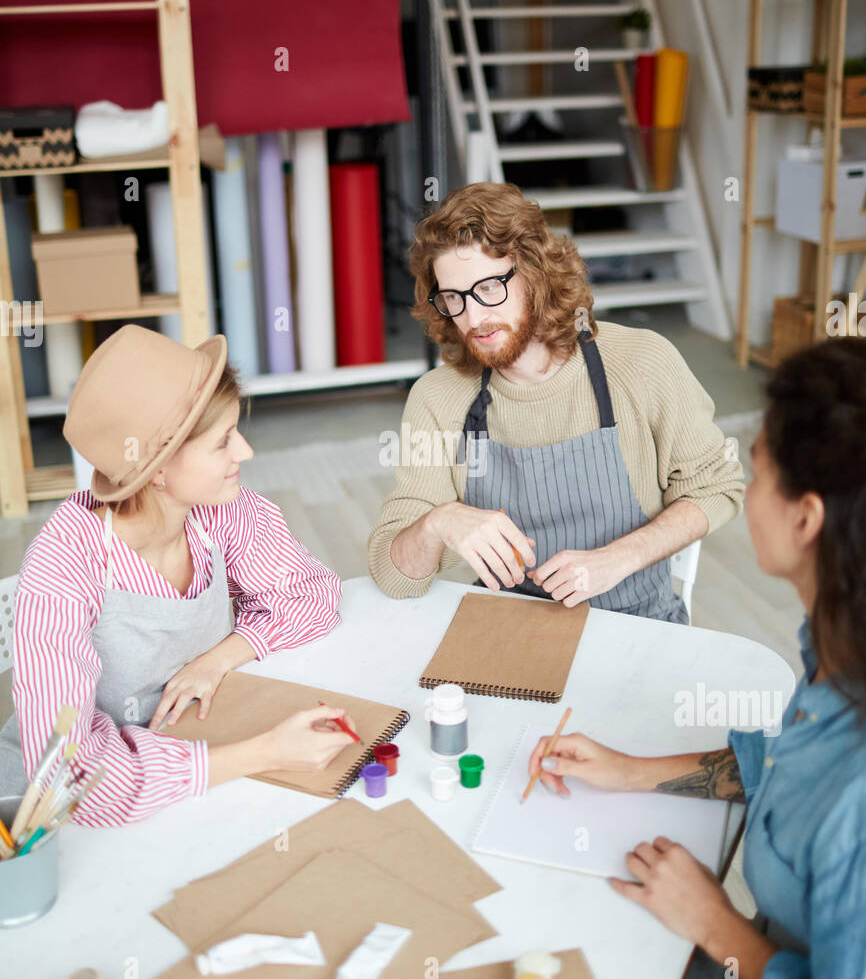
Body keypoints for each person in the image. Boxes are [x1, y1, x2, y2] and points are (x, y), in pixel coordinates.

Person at [529, 337, 866, 979]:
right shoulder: (836, 643)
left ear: (807, 518)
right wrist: (631, 770)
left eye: (760, 465)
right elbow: (788, 758)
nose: (744, 487)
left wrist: (714, 923)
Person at [0, 325, 356, 826]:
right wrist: (266, 753)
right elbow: (74, 776)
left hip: (191, 760)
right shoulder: (63, 565)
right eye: (223, 442)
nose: (245, 453)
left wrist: (218, 659)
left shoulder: (219, 511)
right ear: (159, 466)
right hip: (54, 823)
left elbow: (311, 594)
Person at [368, 183, 744, 622]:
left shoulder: (643, 363)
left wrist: (619, 558)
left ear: (535, 275)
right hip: (509, 626)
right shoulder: (438, 398)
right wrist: (439, 521)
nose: (473, 318)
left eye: (490, 287)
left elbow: (716, 486)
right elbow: (391, 575)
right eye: (453, 298)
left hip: (639, 623)